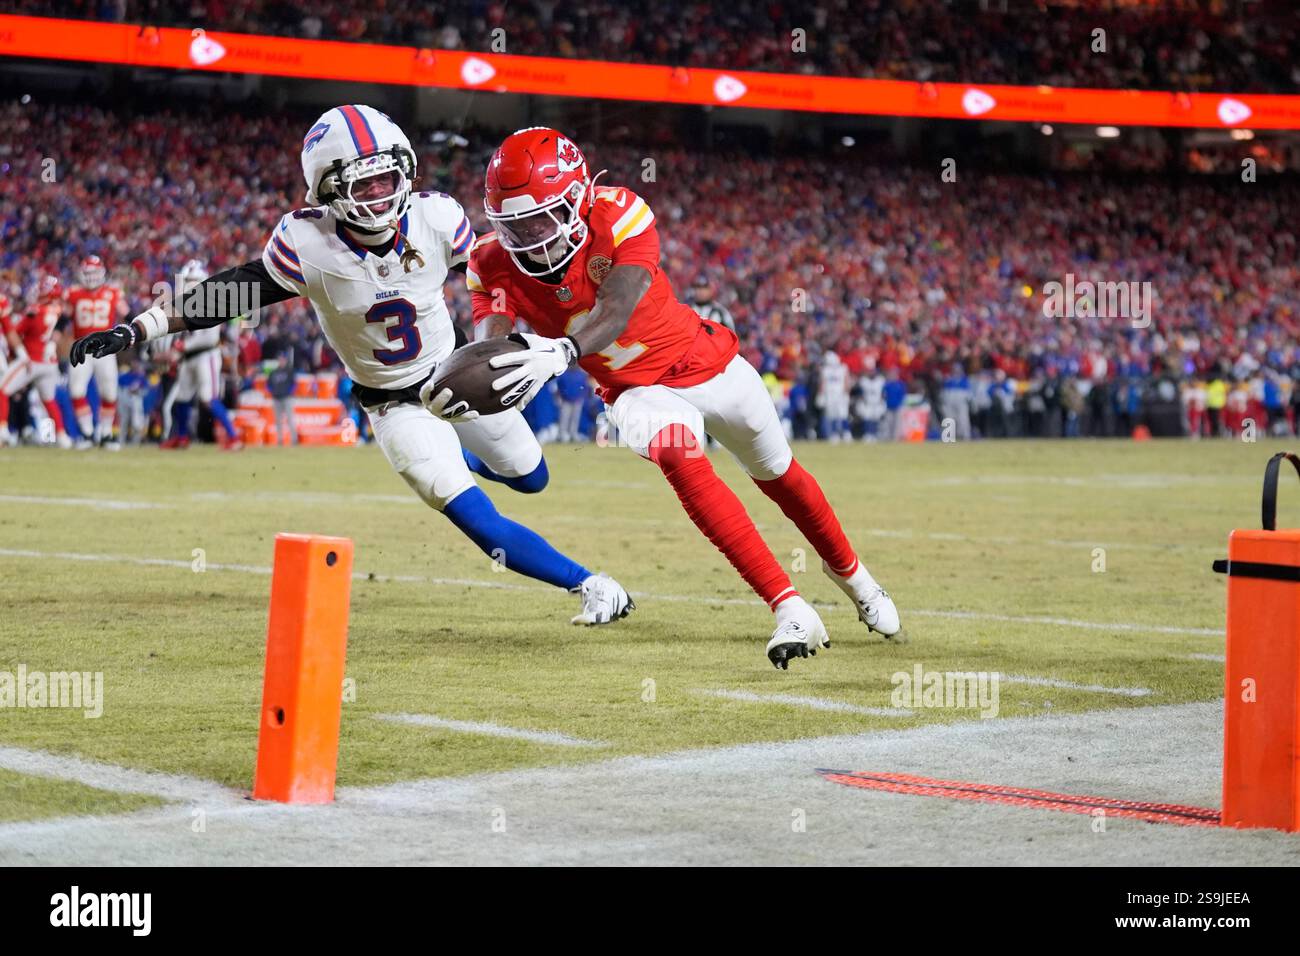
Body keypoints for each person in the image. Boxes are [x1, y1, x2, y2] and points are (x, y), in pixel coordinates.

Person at [70, 104, 632, 626]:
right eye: (364, 183)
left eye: (387, 177)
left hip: (458, 376)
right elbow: (232, 292)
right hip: (392, 405)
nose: (381, 193)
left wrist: (547, 322)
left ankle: (459, 446)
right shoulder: (306, 242)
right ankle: (592, 585)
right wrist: (137, 327)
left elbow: (496, 274)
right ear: (329, 189)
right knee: (475, 516)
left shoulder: (437, 217)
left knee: (532, 478)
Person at [466, 128, 900, 668]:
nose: (527, 237)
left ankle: (856, 580)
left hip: (705, 363)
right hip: (635, 390)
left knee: (781, 476)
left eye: (539, 218)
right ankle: (788, 606)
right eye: (513, 224)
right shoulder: (490, 261)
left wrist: (561, 352)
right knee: (676, 452)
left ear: (577, 198)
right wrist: (479, 371)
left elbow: (617, 309)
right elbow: (488, 344)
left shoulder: (620, 214)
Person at [158, 260, 243, 450]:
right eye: (186, 280)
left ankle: (233, 437)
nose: (187, 284)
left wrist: (182, 346)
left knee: (208, 398)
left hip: (207, 355)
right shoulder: (184, 303)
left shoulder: (212, 300)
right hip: (189, 357)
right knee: (181, 397)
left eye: (191, 280)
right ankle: (181, 438)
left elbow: (209, 336)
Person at [65, 255, 129, 449]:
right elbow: (62, 318)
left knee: (109, 392)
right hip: (81, 347)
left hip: (105, 348)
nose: (91, 277)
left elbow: (128, 314)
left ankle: (106, 432)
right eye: (88, 273)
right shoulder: (73, 294)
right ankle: (86, 432)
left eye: (94, 272)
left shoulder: (113, 292)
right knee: (76, 390)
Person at [2, 274, 72, 448]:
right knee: (49, 400)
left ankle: (2, 431)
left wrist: (15, 354)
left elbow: (16, 333)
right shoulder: (60, 312)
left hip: (32, 361)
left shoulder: (35, 311)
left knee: (2, 391)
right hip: (51, 364)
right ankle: (63, 437)